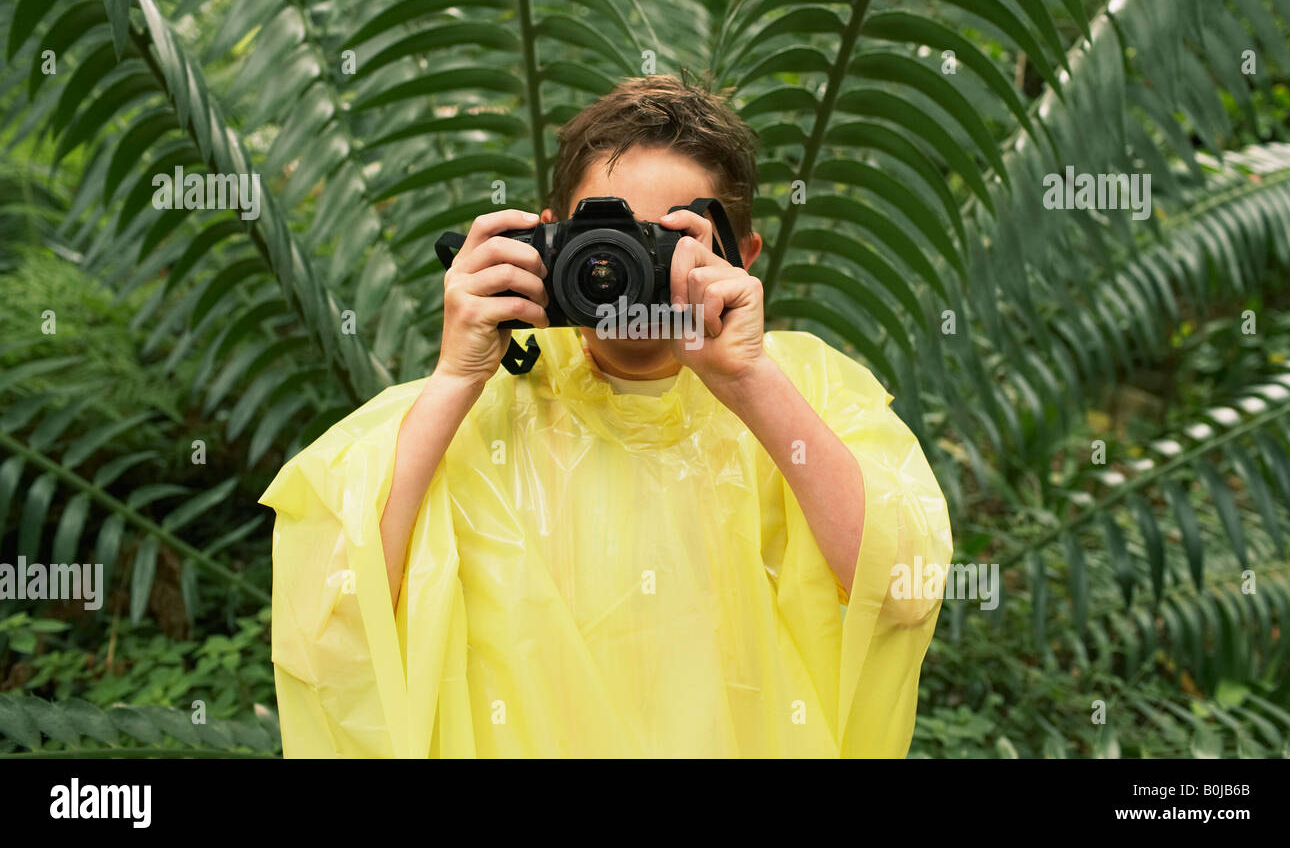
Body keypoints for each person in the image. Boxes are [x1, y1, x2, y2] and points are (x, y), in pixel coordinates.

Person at [259, 74, 953, 757]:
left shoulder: (806, 392)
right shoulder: (463, 413)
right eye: (608, 236)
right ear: (548, 241)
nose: (620, 269)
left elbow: (901, 591)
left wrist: (750, 383)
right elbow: (329, 622)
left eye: (666, 237)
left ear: (742, 257)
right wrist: (455, 378)